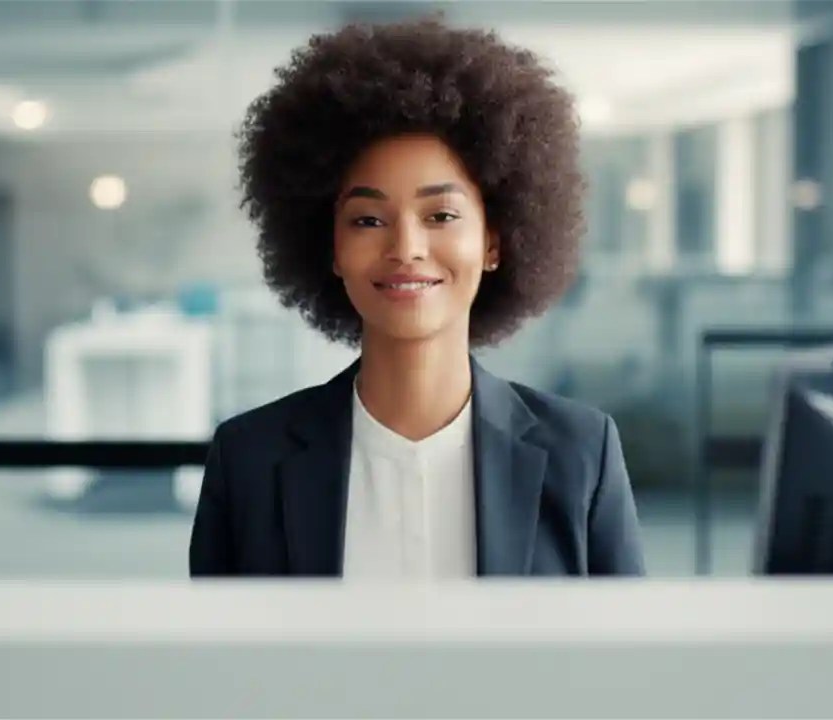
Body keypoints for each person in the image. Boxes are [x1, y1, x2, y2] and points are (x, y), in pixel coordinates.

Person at [190, 17, 644, 578]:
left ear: (494, 242)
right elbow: (219, 664)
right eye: (368, 219)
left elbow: (619, 659)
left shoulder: (582, 454)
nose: (406, 247)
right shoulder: (249, 460)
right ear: (329, 248)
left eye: (442, 216)